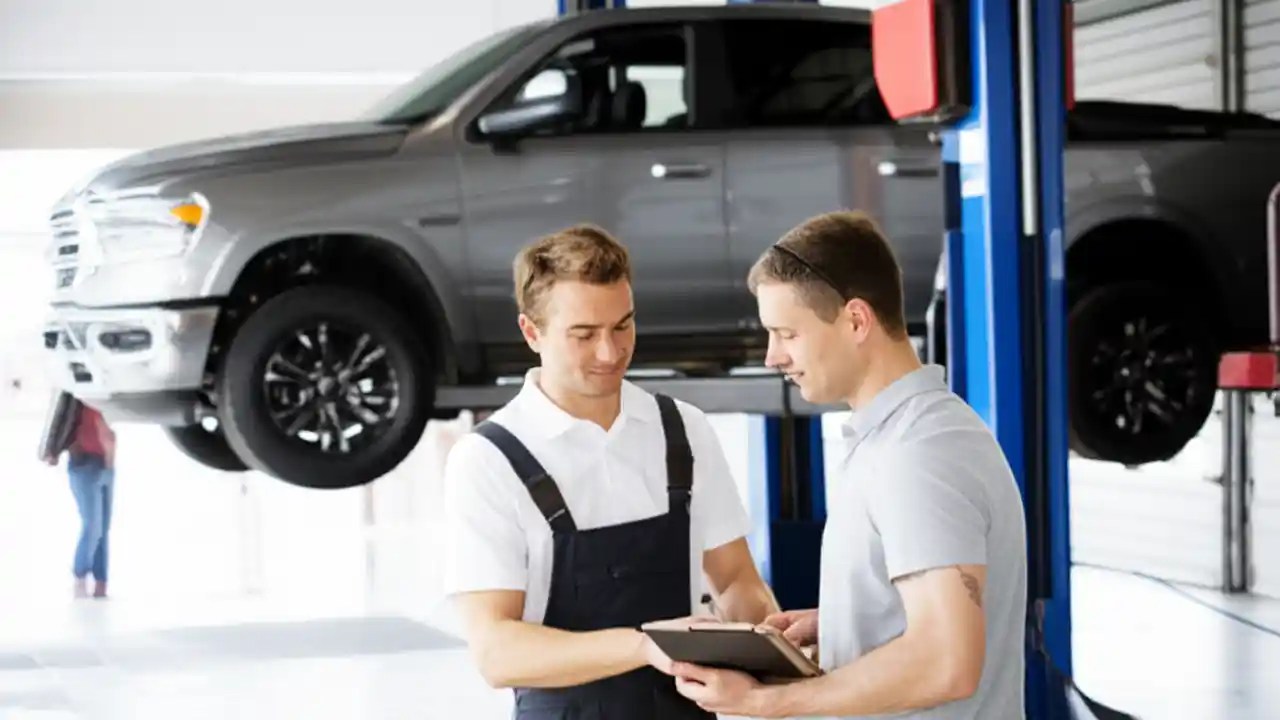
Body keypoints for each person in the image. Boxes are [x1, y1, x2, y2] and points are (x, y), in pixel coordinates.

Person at [673, 211, 1028, 719]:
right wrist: (844, 622)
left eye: (787, 333)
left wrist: (768, 702)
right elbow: (942, 616)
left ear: (856, 320)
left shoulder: (918, 454)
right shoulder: (904, 437)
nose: (773, 356)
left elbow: (946, 660)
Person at [442, 224, 779, 719]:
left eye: (623, 325)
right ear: (531, 332)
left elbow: (735, 581)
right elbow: (496, 652)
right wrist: (644, 647)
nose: (610, 352)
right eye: (584, 335)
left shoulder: (682, 430)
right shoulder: (488, 461)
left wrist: (766, 643)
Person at [44, 402, 117, 599]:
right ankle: (80, 575)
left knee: (103, 526)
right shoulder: (74, 395)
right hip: (84, 462)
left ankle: (101, 580)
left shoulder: (103, 393)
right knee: (92, 524)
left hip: (106, 463)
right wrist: (53, 450)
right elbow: (57, 419)